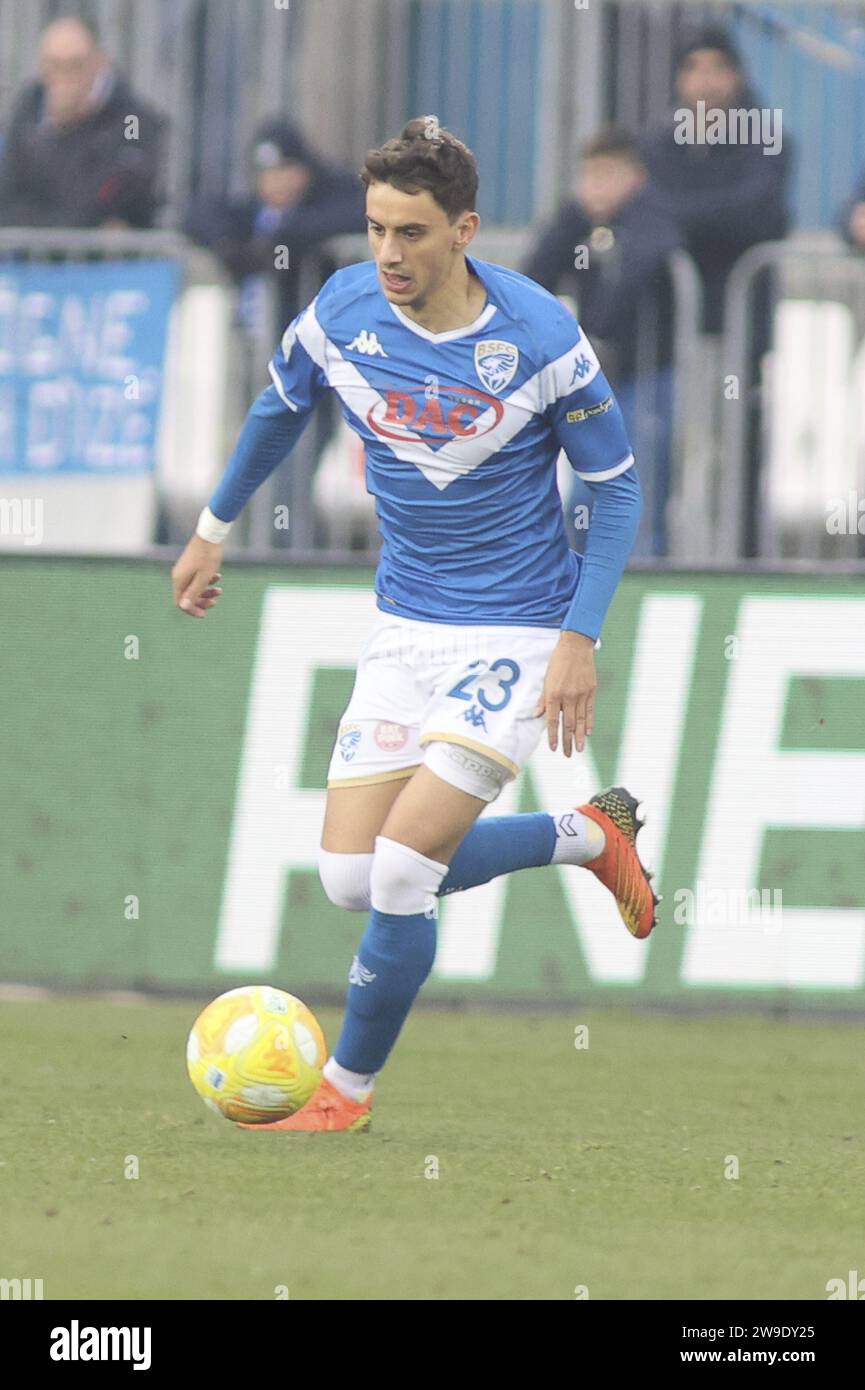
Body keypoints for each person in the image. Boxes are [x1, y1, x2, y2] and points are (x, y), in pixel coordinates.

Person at [171, 119, 659, 1133]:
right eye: (376, 228)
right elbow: (278, 408)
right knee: (352, 874)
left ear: (464, 231)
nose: (388, 253)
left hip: (518, 632)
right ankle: (585, 835)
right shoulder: (344, 308)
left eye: (412, 232)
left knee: (402, 867)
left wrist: (579, 638)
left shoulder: (536, 338)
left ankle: (343, 1092)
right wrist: (212, 529)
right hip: (403, 625)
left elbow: (613, 493)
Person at [523, 128, 681, 555]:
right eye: (589, 175)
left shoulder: (651, 212)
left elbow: (639, 267)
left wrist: (603, 335)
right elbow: (536, 273)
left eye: (608, 174)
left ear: (634, 177)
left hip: (645, 377)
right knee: (585, 496)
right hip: (594, 382)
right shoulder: (579, 217)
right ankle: (580, 593)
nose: (596, 186)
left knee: (638, 495)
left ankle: (641, 586)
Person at [640, 25, 789, 334]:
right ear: (679, 78)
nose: (706, 81)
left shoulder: (767, 138)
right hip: (667, 317)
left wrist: (678, 222)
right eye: (694, 68)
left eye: (718, 67)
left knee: (734, 381)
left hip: (742, 310)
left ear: (737, 75)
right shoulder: (656, 142)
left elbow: (756, 213)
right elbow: (646, 209)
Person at [183, 118, 367, 332]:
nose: (276, 181)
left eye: (285, 169)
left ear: (305, 170)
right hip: (254, 333)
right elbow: (198, 214)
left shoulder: (331, 198)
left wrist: (288, 239)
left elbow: (355, 214)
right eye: (266, 173)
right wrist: (227, 245)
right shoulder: (254, 213)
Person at [0, 15, 165, 229]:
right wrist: (54, 132)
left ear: (99, 62)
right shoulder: (29, 107)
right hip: (32, 255)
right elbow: (7, 192)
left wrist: (67, 132)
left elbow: (120, 192)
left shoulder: (132, 118)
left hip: (111, 260)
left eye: (74, 65)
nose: (63, 76)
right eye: (53, 66)